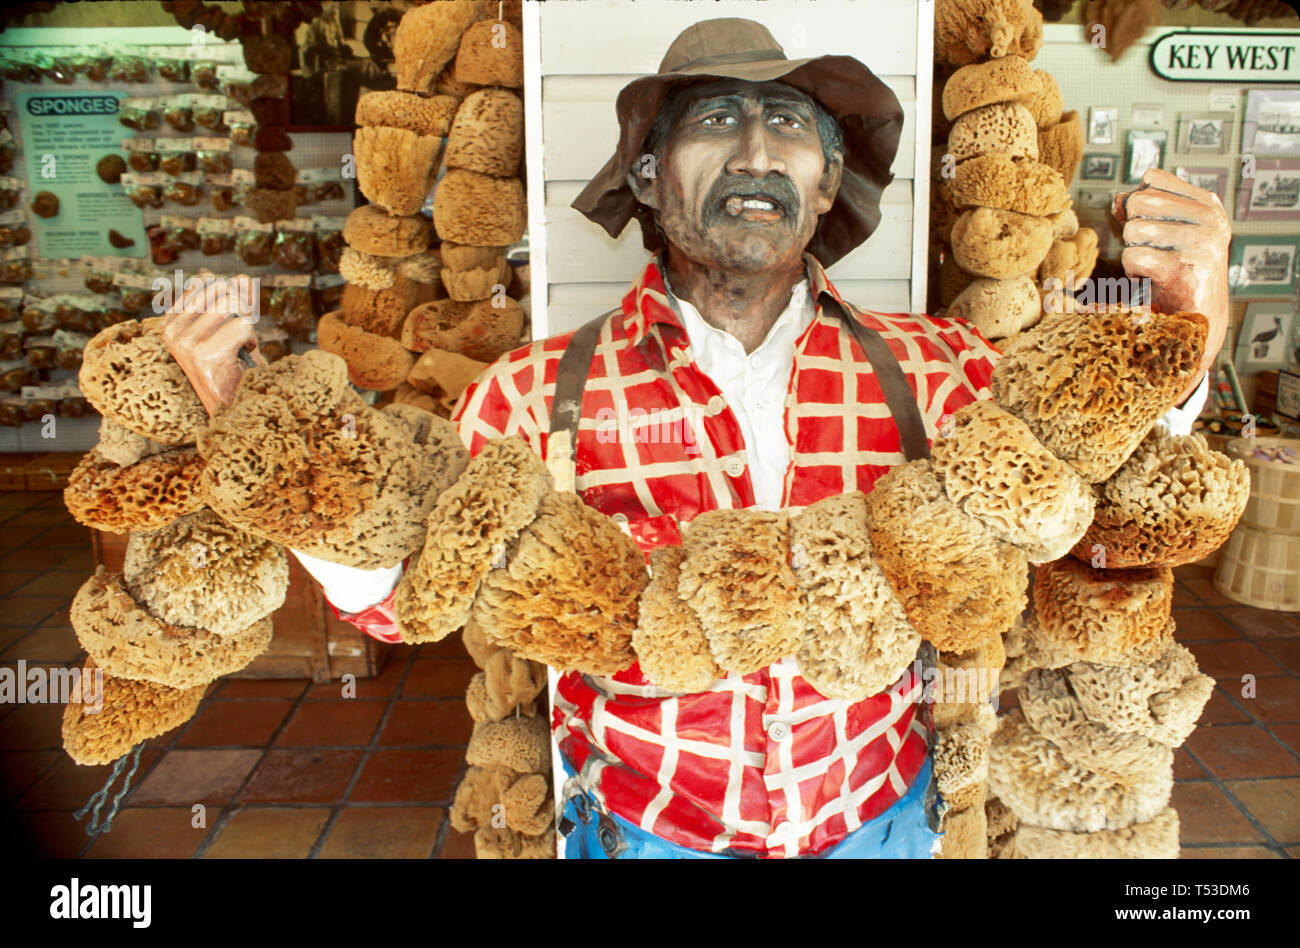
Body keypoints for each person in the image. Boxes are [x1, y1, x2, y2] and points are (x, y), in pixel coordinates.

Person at [163, 18, 1227, 859]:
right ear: (644, 176)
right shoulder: (534, 399)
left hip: (880, 823)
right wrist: (259, 442)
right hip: (637, 831)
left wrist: (1193, 326)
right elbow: (396, 598)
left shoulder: (941, 369)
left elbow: (1089, 499)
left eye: (794, 129)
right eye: (716, 120)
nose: (757, 151)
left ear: (823, 192)